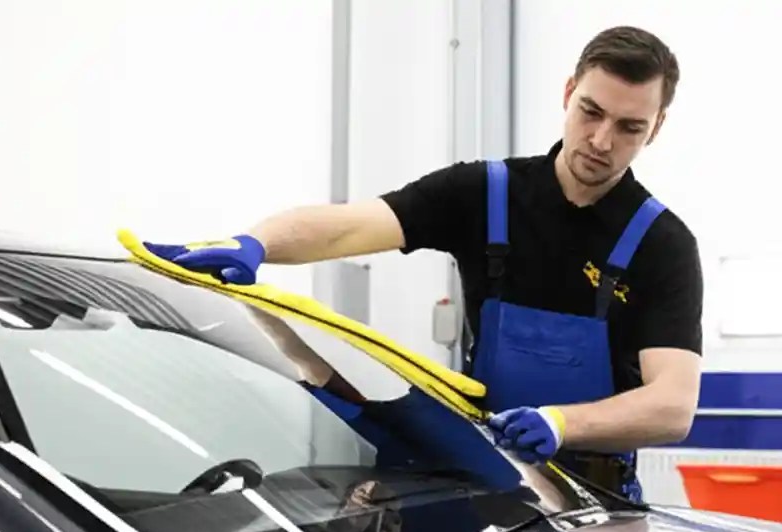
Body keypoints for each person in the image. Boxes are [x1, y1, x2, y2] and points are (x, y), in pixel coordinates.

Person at [141, 25, 704, 502]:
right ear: (567, 93)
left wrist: (561, 424)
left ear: (656, 128)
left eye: (629, 127)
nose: (602, 140)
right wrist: (255, 243)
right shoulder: (485, 193)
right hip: (486, 478)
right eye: (591, 112)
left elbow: (671, 405)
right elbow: (350, 225)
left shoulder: (662, 243)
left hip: (596, 497)